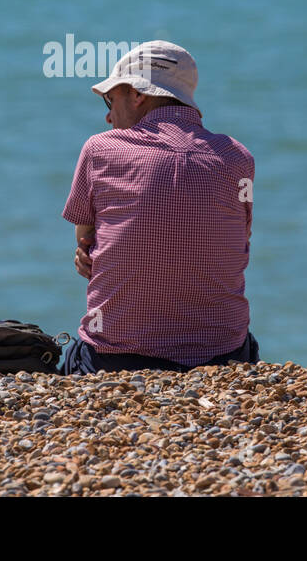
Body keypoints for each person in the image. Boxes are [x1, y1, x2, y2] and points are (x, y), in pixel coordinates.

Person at [60, 40, 259, 374]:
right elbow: (239, 239)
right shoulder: (239, 158)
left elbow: (85, 243)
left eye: (111, 99)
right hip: (223, 357)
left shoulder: (100, 150)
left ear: (138, 95)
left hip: (117, 358)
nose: (108, 116)